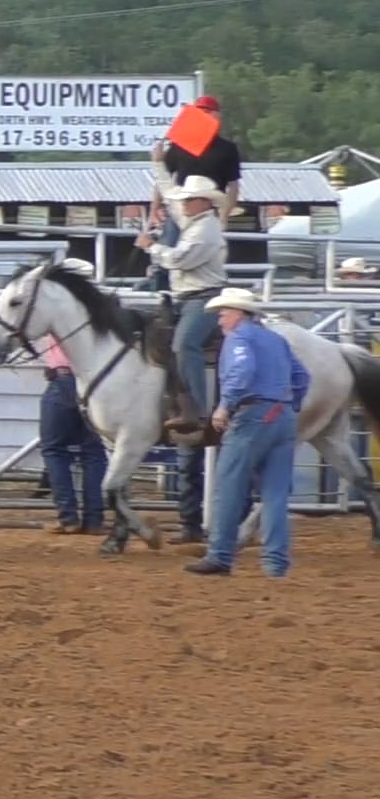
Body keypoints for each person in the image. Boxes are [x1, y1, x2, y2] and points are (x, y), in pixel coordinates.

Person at [185, 288, 308, 578]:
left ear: (239, 313)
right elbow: (302, 376)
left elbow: (242, 371)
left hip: (253, 415)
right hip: (283, 414)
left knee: (228, 485)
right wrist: (294, 405)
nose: (220, 321)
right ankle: (275, 564)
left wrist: (225, 406)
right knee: (276, 493)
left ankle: (219, 555)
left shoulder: (239, 337)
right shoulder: (277, 339)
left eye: (223, 314)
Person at [137, 173, 229, 438]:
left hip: (204, 297)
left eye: (189, 200)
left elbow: (180, 260)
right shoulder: (195, 221)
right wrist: (158, 164)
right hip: (188, 297)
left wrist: (151, 247)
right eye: (185, 200)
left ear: (203, 202)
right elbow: (170, 194)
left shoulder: (206, 230)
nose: (184, 204)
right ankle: (174, 400)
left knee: (185, 343)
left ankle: (196, 409)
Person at [40, 258, 108, 536]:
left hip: (64, 378)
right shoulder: (100, 310)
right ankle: (94, 518)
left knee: (54, 449)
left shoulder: (58, 309)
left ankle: (68, 515)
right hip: (95, 380)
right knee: (93, 451)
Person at [147, 96, 243, 290]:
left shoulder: (227, 148)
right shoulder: (179, 145)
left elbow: (233, 185)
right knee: (170, 246)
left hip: (210, 207)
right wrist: (153, 210)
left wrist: (224, 216)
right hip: (179, 204)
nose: (204, 115)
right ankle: (161, 287)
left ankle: (203, 287)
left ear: (217, 116)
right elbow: (163, 178)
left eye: (208, 111)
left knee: (204, 251)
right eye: (200, 112)